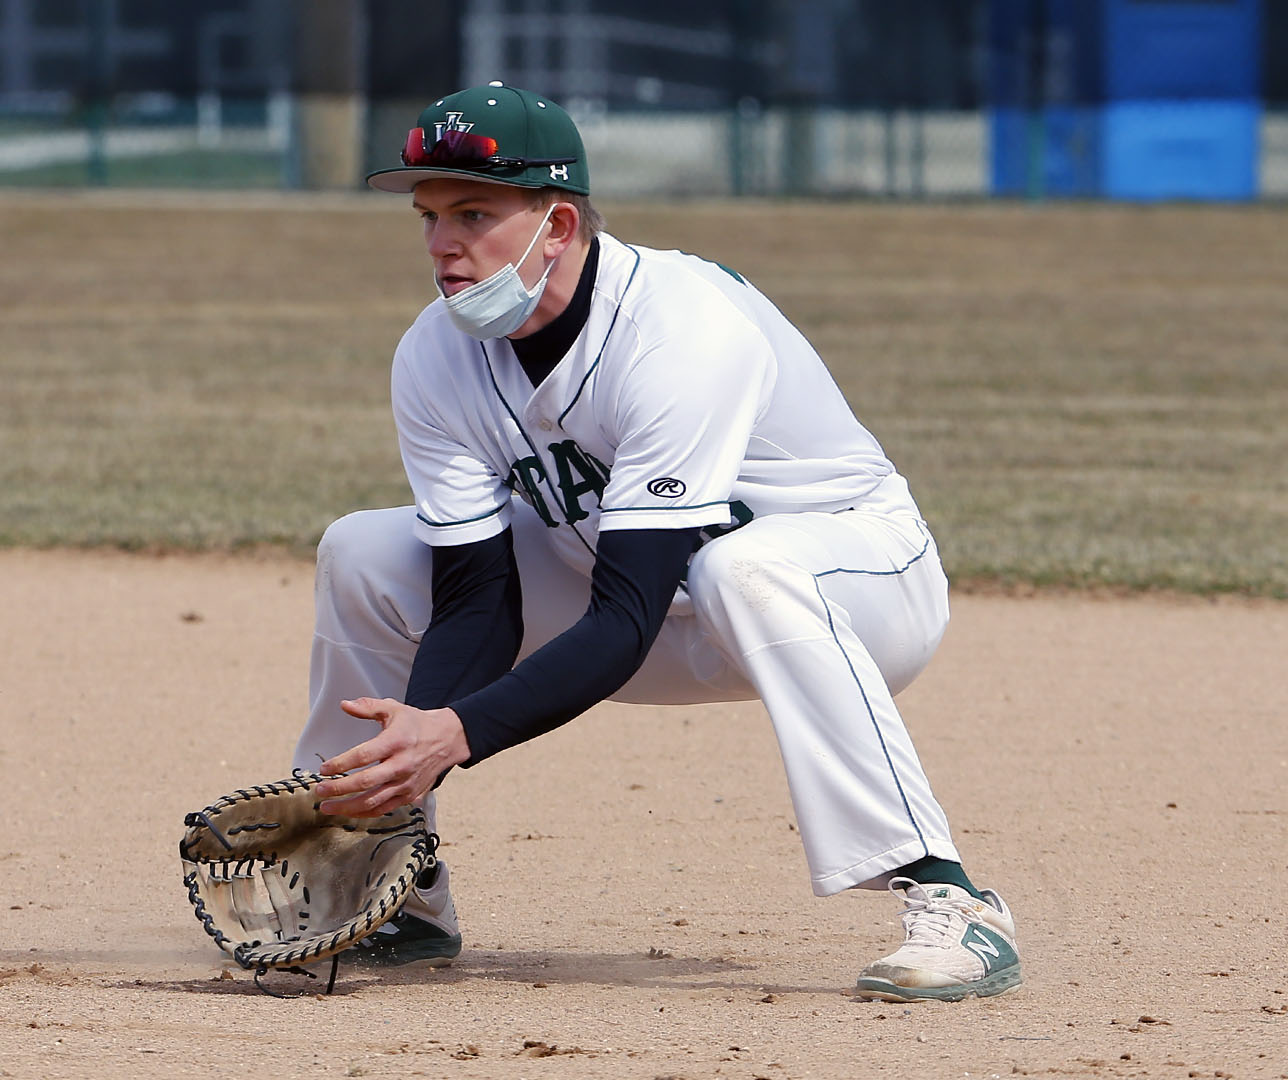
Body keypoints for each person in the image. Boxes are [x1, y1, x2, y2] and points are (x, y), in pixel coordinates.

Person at [295, 83, 1022, 1003]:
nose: (442, 244)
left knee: (740, 564)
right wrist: (415, 745)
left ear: (556, 225)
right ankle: (388, 881)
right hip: (637, 614)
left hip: (855, 593)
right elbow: (478, 600)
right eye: (428, 214)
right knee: (366, 549)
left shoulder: (680, 329)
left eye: (473, 213)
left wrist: (462, 731)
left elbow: (630, 611)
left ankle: (953, 901)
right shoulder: (435, 355)